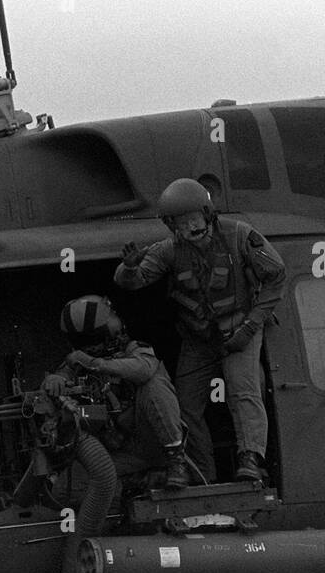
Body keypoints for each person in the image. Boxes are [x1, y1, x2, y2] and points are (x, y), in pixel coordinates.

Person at [113, 178, 286, 483]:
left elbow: (275, 275)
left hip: (240, 330)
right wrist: (128, 266)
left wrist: (250, 326)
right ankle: (202, 472)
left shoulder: (240, 236)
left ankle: (250, 458)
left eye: (193, 218)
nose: (190, 227)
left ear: (206, 214)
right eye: (181, 222)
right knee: (185, 405)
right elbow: (133, 280)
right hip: (199, 340)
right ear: (172, 226)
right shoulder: (169, 251)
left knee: (242, 389)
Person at [41, 294, 189, 490]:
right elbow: (59, 377)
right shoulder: (75, 363)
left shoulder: (133, 350)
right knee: (65, 488)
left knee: (153, 384)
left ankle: (176, 461)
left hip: (153, 440)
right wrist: (54, 380)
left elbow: (144, 368)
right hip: (121, 449)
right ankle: (142, 482)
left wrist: (95, 364)